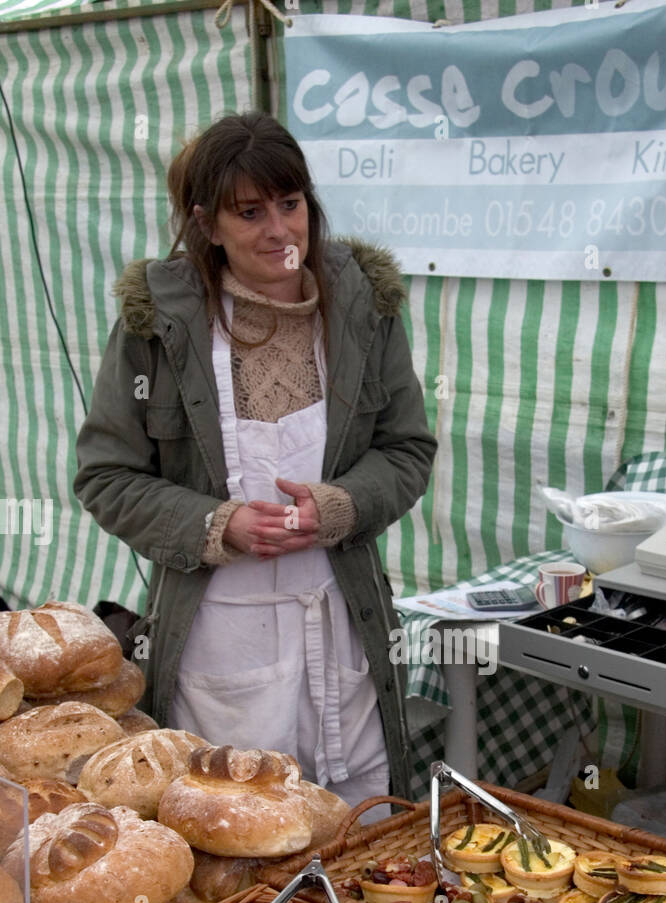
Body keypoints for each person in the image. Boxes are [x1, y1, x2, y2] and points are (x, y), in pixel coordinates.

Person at [75, 112, 436, 804]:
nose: (279, 231)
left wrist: (340, 506)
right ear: (208, 225)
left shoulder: (365, 306)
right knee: (236, 825)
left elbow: (406, 448)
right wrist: (217, 524)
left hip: (344, 619)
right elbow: (106, 476)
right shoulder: (158, 327)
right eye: (250, 213)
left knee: (357, 812)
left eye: (290, 203)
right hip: (222, 637)